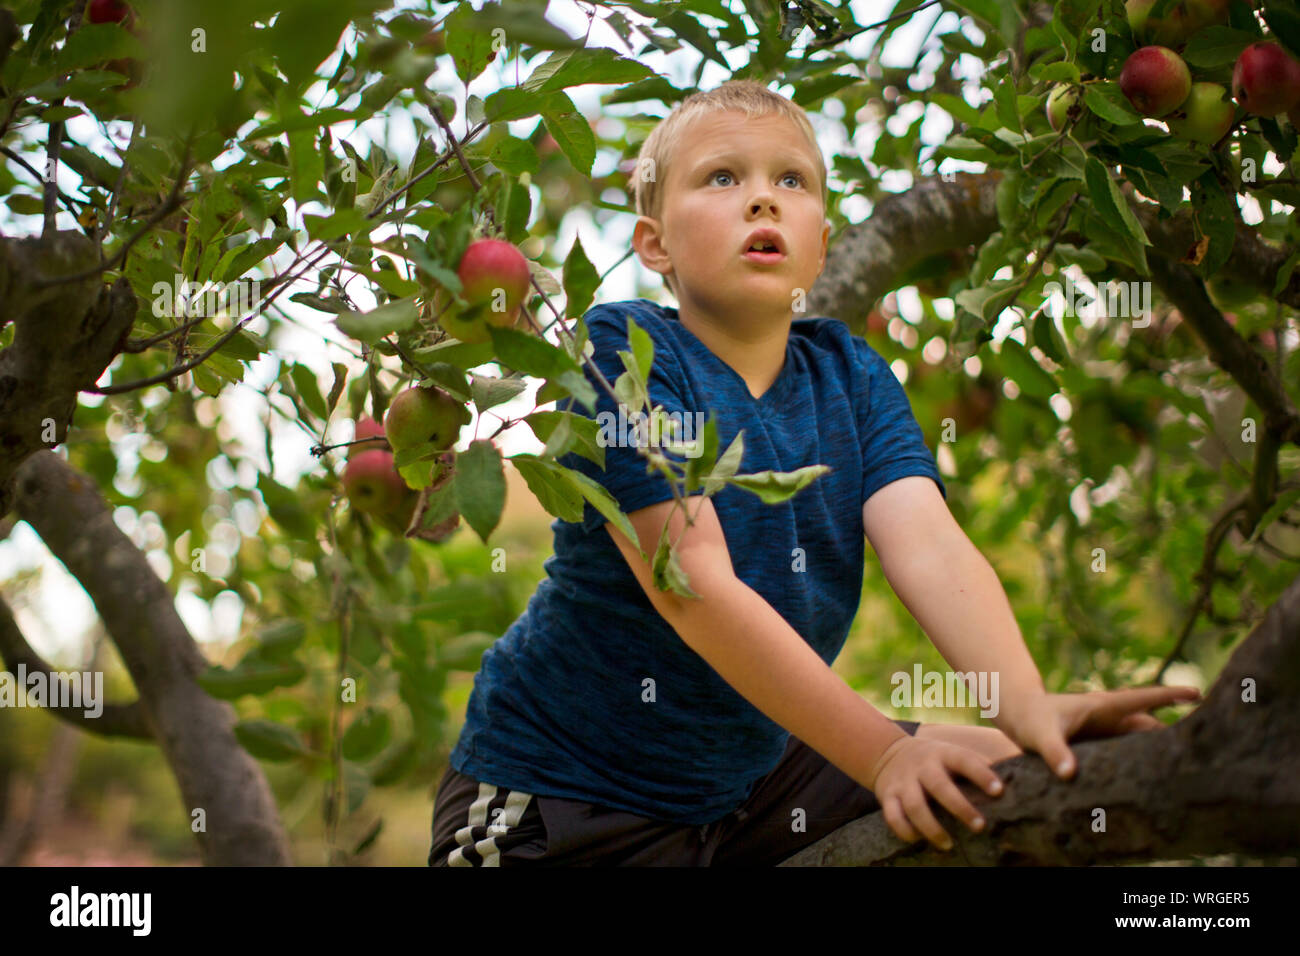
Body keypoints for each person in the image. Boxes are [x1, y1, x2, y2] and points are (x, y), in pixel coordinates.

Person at [428, 79, 1199, 867]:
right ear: (654, 245)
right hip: (568, 795)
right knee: (907, 759)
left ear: (821, 243)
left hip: (752, 786)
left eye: (789, 180)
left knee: (1019, 771)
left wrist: (1023, 705)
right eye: (722, 178)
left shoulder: (852, 375)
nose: (762, 200)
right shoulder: (623, 350)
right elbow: (690, 583)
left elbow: (929, 546)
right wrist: (882, 755)